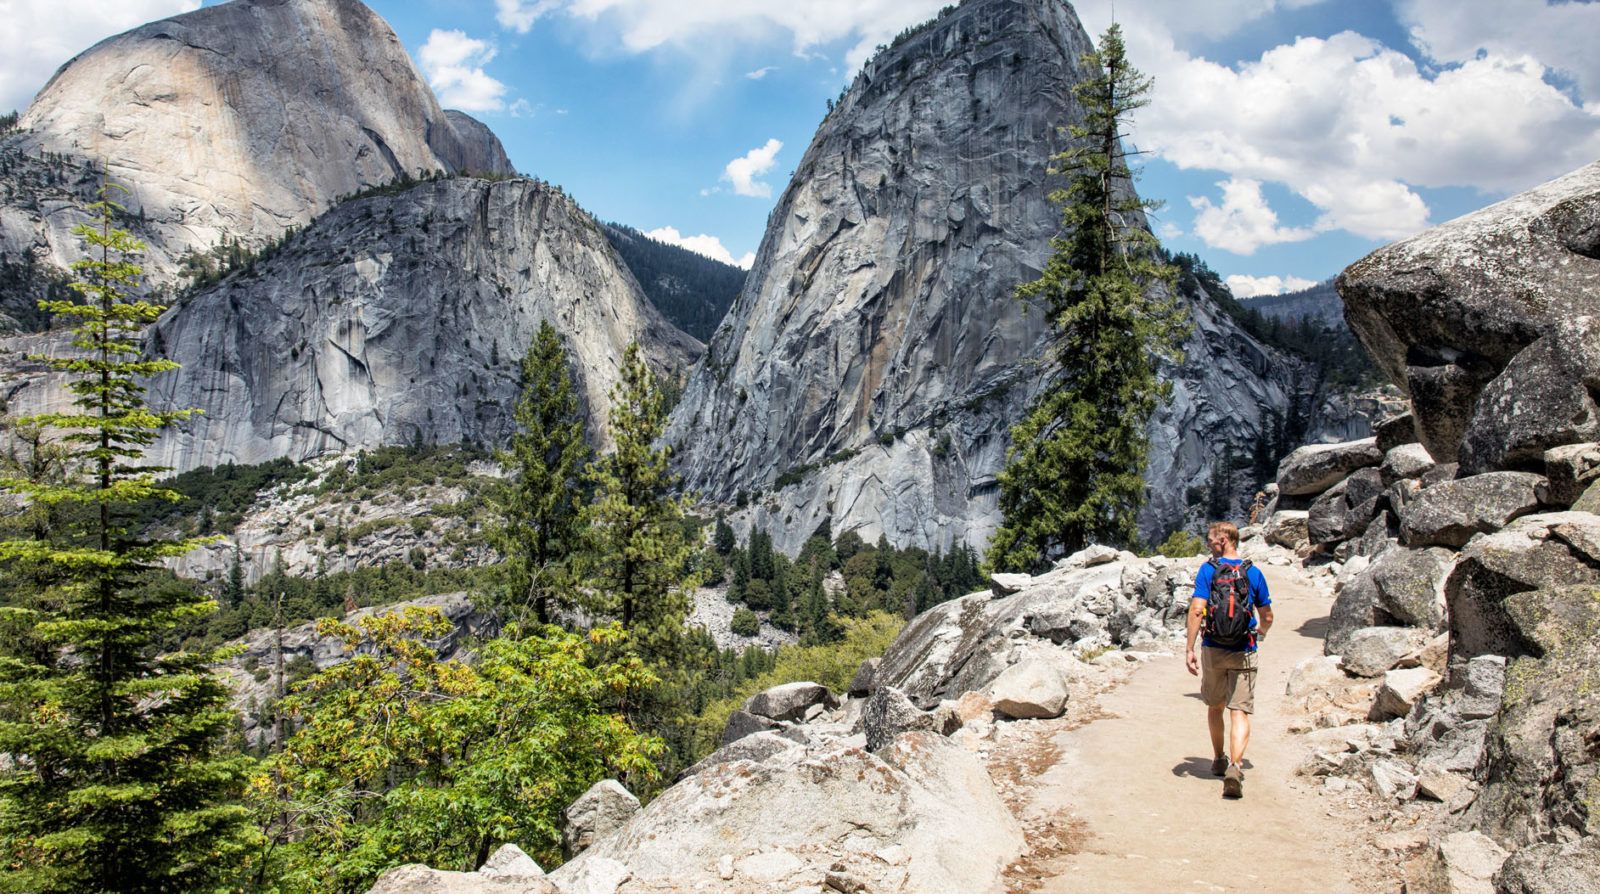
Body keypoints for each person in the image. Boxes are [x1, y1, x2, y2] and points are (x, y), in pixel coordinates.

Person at [1185, 521, 1273, 799]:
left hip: (1213, 648)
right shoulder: (1253, 572)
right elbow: (1267, 615)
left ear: (1223, 540)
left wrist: (1189, 648)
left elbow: (1197, 610)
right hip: (1244, 649)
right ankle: (1235, 765)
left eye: (1211, 540)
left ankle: (1218, 758)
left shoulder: (1208, 570)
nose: (1208, 544)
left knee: (1215, 706)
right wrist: (1260, 632)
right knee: (1239, 710)